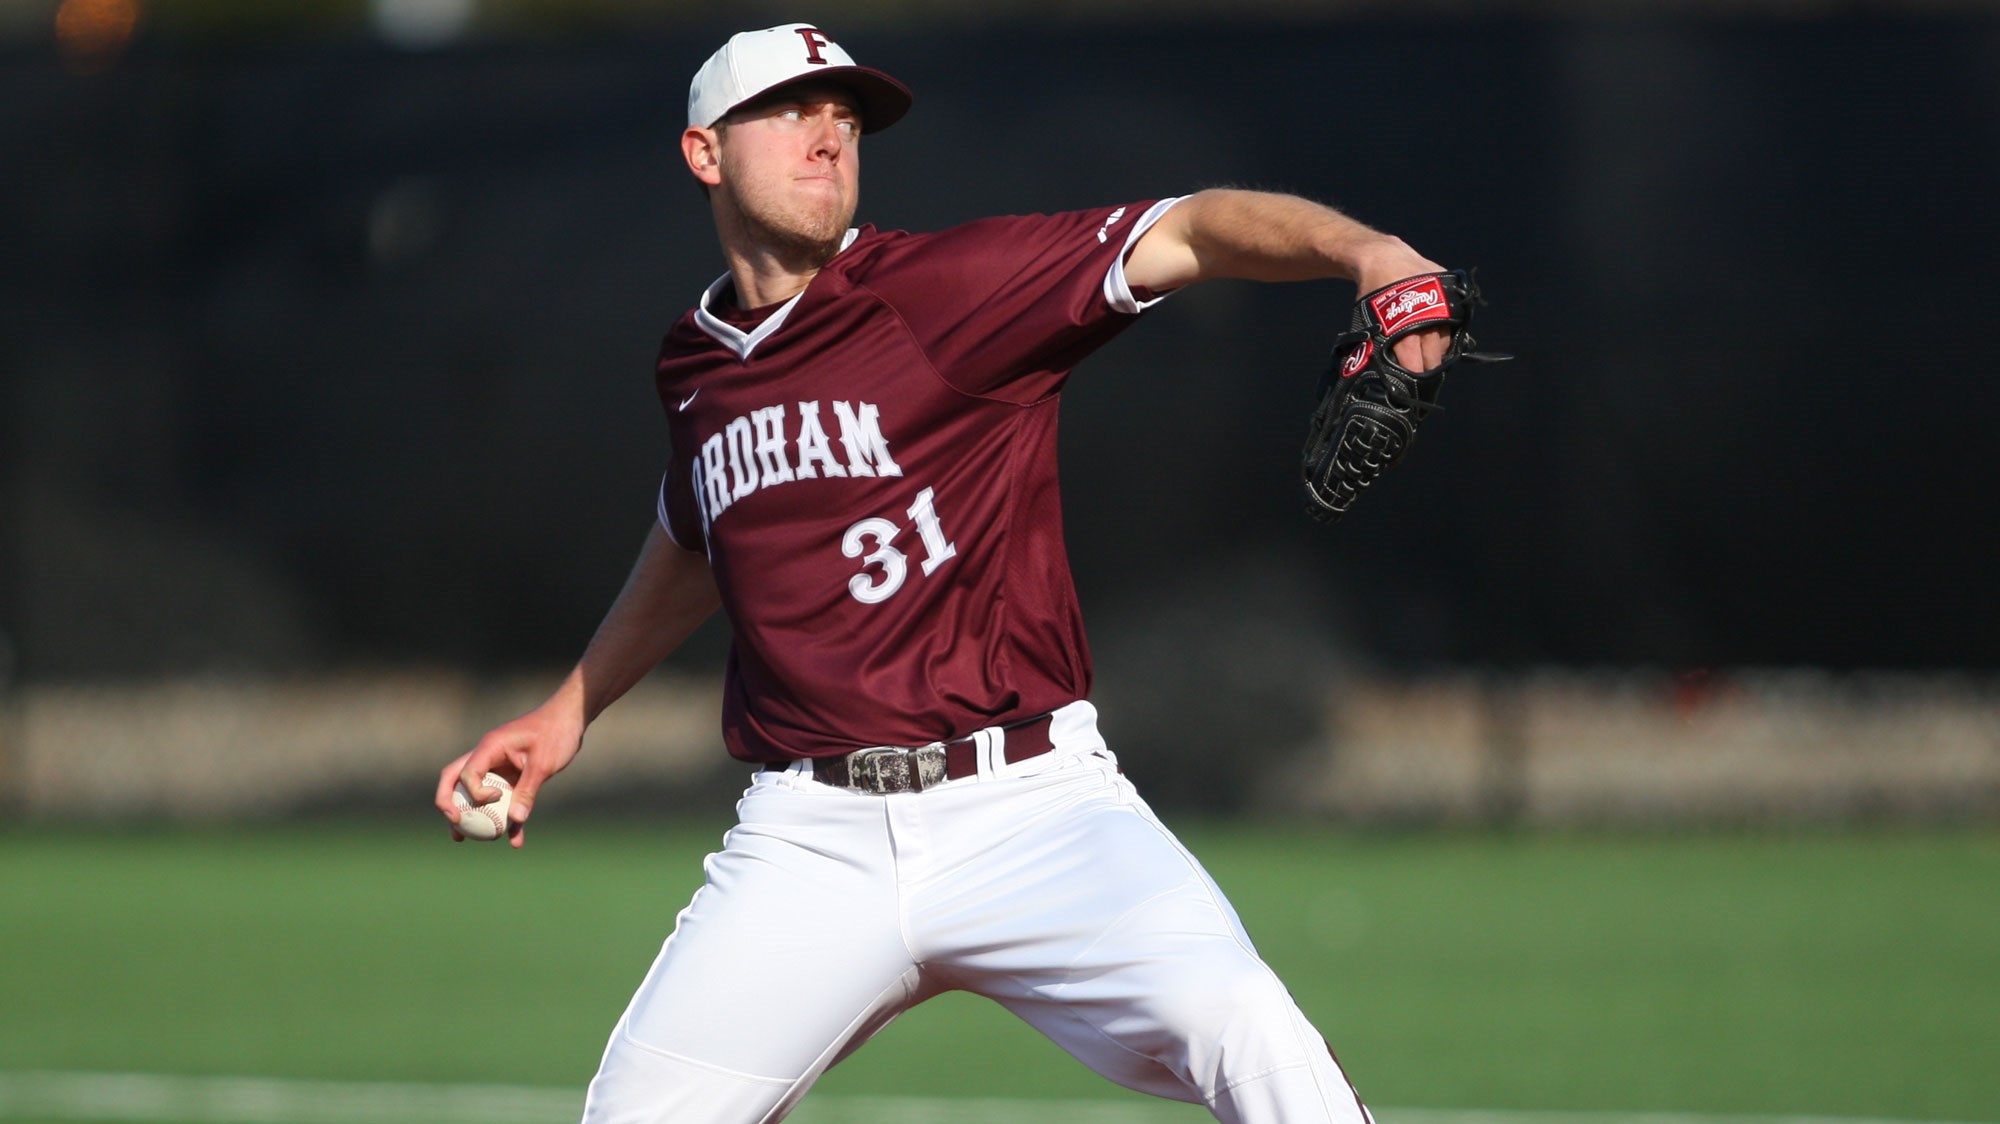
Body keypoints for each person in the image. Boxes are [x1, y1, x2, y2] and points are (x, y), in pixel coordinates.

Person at [436, 22, 1454, 1124]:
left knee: (1252, 1035)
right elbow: (699, 534)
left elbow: (1190, 229)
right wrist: (569, 709)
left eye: (846, 118)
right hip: (809, 838)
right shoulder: (693, 362)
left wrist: (1371, 253)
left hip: (1031, 808)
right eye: (791, 112)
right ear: (704, 153)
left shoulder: (948, 290)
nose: (829, 138)